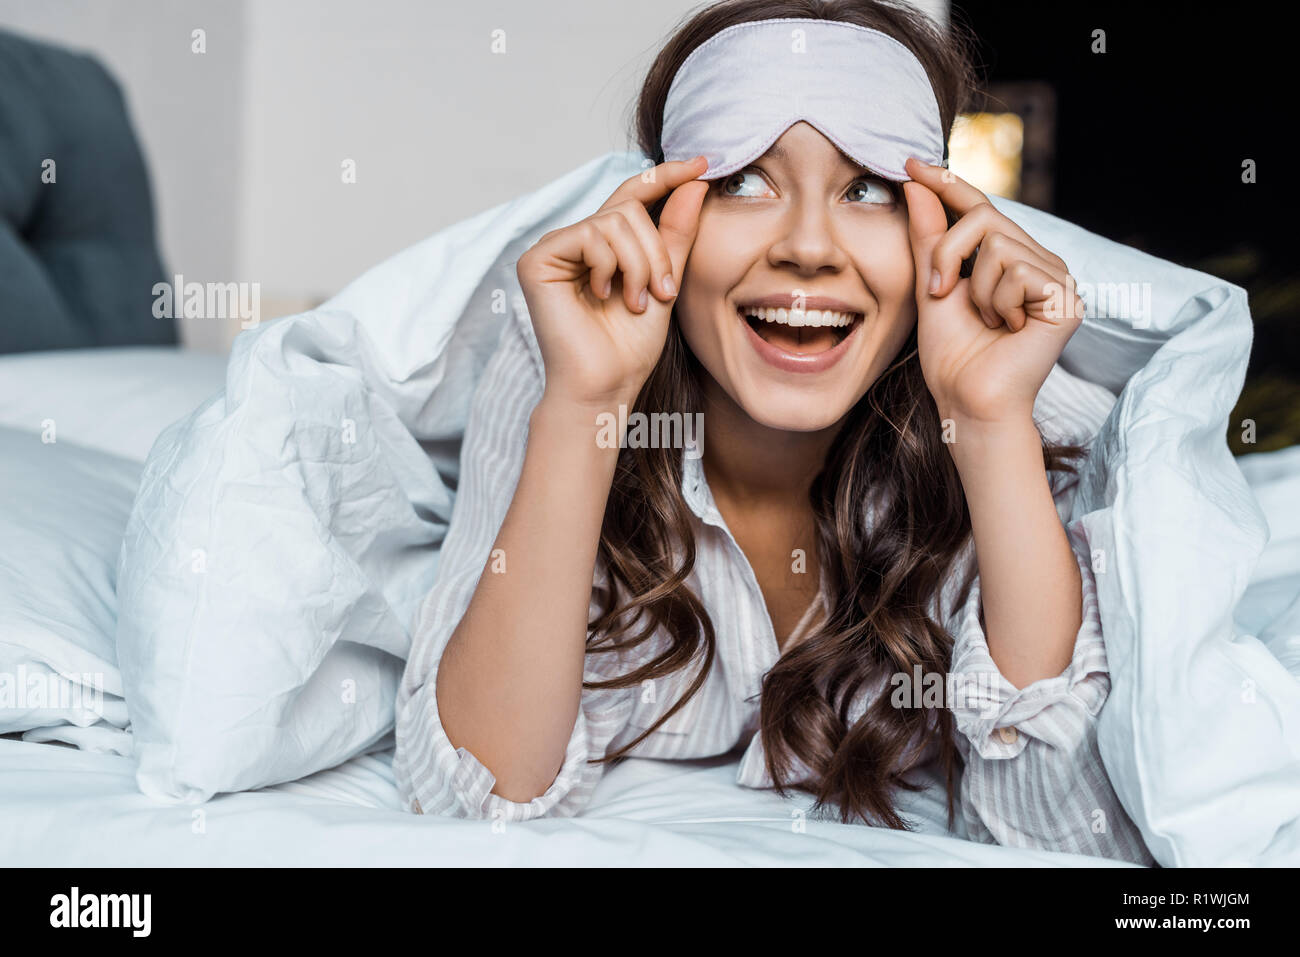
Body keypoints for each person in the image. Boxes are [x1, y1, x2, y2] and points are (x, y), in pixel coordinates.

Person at [393, 0, 1155, 866]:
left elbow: (1064, 828)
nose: (808, 247)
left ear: (937, 231)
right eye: (743, 182)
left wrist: (990, 428)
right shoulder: (565, 366)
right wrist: (583, 407)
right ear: (660, 220)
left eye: (868, 188)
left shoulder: (1023, 411)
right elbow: (479, 791)